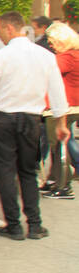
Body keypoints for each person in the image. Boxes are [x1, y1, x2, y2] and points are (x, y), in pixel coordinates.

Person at [0, 11, 71, 240]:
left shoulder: (1, 56)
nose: (0, 36)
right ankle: (35, 225)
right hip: (31, 119)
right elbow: (57, 93)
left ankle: (14, 225)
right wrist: (61, 123)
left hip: (3, 118)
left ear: (9, 28)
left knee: (5, 170)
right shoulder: (45, 56)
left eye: (0, 29)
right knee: (28, 171)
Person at [41, 21, 79, 200]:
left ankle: (63, 186)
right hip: (71, 105)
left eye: (53, 41)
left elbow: (47, 72)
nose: (51, 45)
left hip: (61, 106)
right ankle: (56, 181)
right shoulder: (75, 54)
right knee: (61, 144)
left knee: (58, 146)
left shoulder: (66, 57)